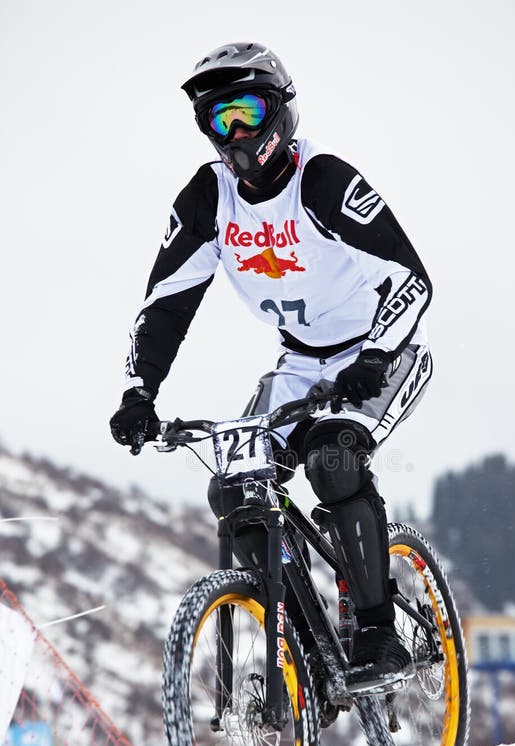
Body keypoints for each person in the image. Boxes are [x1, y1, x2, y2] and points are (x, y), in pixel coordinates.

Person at [109, 42, 433, 690]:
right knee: (235, 489)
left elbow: (411, 278)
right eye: (219, 118)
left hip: (380, 351)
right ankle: (313, 655)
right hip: (300, 365)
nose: (237, 132)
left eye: (248, 111)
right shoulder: (209, 199)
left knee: (332, 460)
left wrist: (373, 355)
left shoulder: (324, 182)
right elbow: (166, 304)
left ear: (281, 113)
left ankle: (378, 630)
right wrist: (138, 391)